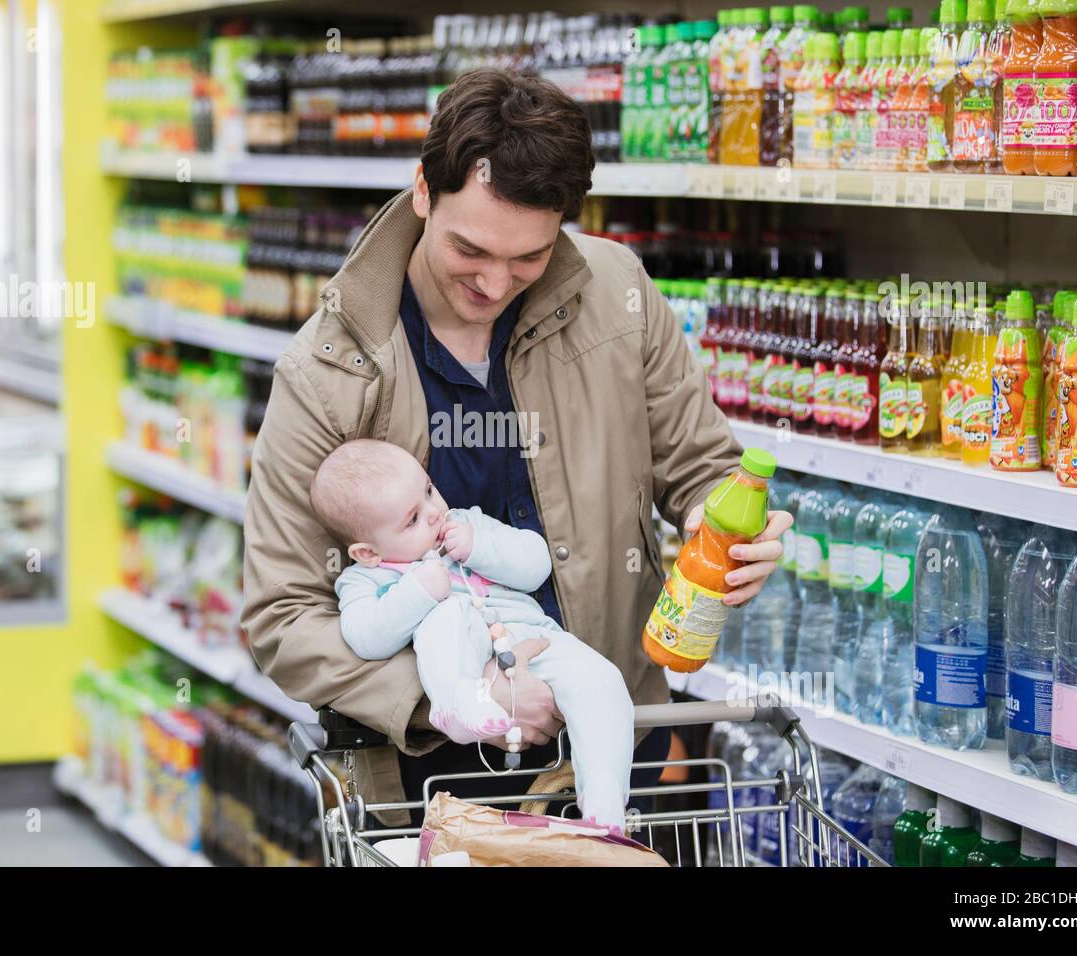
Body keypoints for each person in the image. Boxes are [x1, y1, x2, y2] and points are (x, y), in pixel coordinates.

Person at [242, 67, 792, 827]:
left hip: (619, 747)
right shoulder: (326, 371)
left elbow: (701, 467)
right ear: (423, 192)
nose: (495, 283)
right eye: (471, 249)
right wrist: (452, 699)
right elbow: (282, 615)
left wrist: (733, 522)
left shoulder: (618, 293)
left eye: (528, 257)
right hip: (429, 780)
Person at [311, 439, 636, 831]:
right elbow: (364, 637)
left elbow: (536, 562)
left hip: (533, 637)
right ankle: (459, 703)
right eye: (412, 519)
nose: (434, 513)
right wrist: (418, 592)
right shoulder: (365, 579)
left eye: (429, 491)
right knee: (448, 614)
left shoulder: (466, 523)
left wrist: (479, 545)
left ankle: (604, 807)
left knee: (602, 681)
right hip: (465, 657)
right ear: (367, 552)